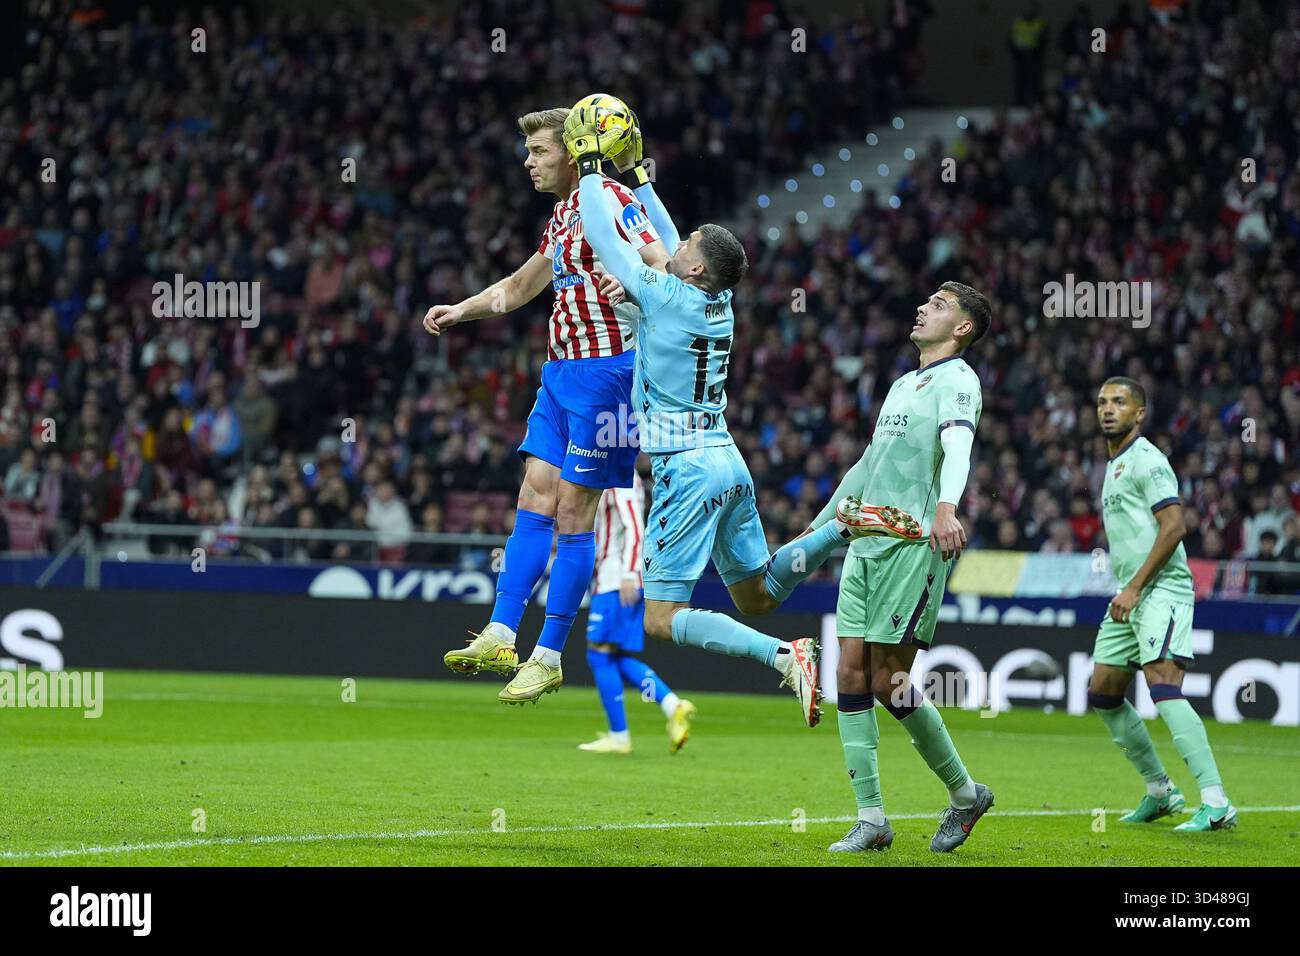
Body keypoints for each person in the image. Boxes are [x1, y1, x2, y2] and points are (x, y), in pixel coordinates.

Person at [519, 104, 922, 723]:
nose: (671, 246)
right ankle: (840, 527)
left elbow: (602, 233)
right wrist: (642, 178)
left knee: (660, 618)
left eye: (683, 248)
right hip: (728, 461)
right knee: (757, 592)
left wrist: (596, 165)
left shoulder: (663, 294)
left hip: (687, 470)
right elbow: (674, 240)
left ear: (696, 267)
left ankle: (786, 657)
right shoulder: (718, 300)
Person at [427, 104, 668, 688]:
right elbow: (518, 287)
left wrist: (635, 291)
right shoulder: (564, 214)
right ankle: (503, 633)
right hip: (560, 375)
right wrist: (463, 309)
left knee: (572, 510)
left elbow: (666, 267)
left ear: (574, 151)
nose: (528, 161)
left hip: (610, 373)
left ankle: (550, 657)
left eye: (539, 151)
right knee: (533, 496)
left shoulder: (609, 199)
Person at [811, 281, 996, 854]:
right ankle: (871, 819)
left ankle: (965, 795)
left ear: (962, 328)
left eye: (939, 306)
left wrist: (946, 509)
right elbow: (868, 465)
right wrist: (815, 536)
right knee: (847, 675)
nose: (921, 308)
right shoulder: (901, 385)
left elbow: (958, 445)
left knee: (890, 680)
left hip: (913, 545)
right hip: (866, 545)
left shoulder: (958, 381)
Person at [1087, 377, 1237, 832]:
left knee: (1163, 686)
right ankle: (1161, 791)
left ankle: (1216, 802)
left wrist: (1133, 588)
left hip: (1161, 590)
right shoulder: (1114, 465)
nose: (1108, 409)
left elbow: (1174, 527)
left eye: (1119, 402)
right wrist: (1126, 589)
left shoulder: (1148, 460)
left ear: (1139, 414)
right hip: (1129, 593)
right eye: (1102, 402)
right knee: (1104, 693)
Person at [580, 470, 695, 754]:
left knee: (598, 653)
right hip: (613, 577)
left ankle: (619, 736)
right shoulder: (615, 472)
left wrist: (630, 572)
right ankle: (672, 706)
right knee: (614, 656)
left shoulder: (619, 473)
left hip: (617, 578)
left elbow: (634, 524)